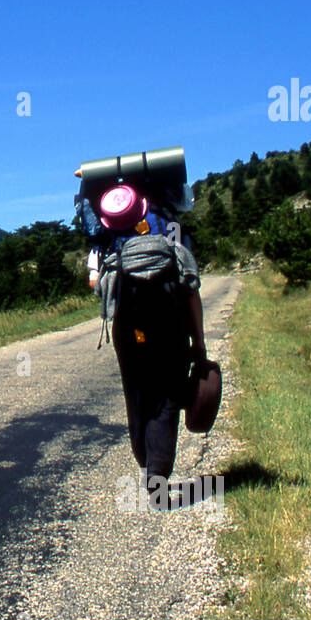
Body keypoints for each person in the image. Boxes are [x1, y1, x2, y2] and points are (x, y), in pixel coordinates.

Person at [88, 184, 205, 510]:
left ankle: (147, 467)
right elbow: (191, 290)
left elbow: (95, 284)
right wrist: (200, 340)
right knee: (167, 399)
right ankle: (158, 477)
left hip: (129, 330)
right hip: (172, 326)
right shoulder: (173, 230)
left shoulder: (108, 237)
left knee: (137, 398)